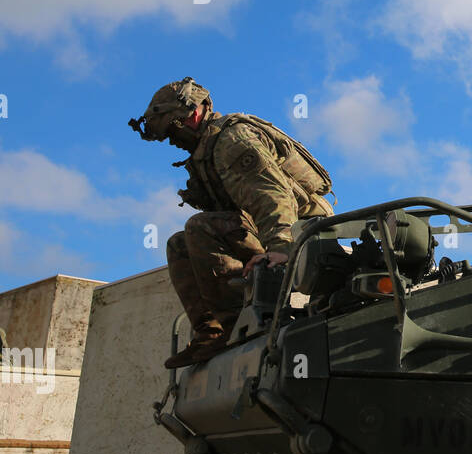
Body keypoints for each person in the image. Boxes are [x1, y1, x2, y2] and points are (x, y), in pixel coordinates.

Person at [130, 78, 333, 368]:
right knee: (179, 244)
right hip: (271, 232)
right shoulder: (206, 152)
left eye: (173, 127)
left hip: (303, 233)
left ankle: (234, 326)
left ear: (195, 112)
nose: (173, 140)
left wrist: (281, 247)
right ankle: (210, 333)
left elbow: (273, 196)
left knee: (198, 227)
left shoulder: (231, 141)